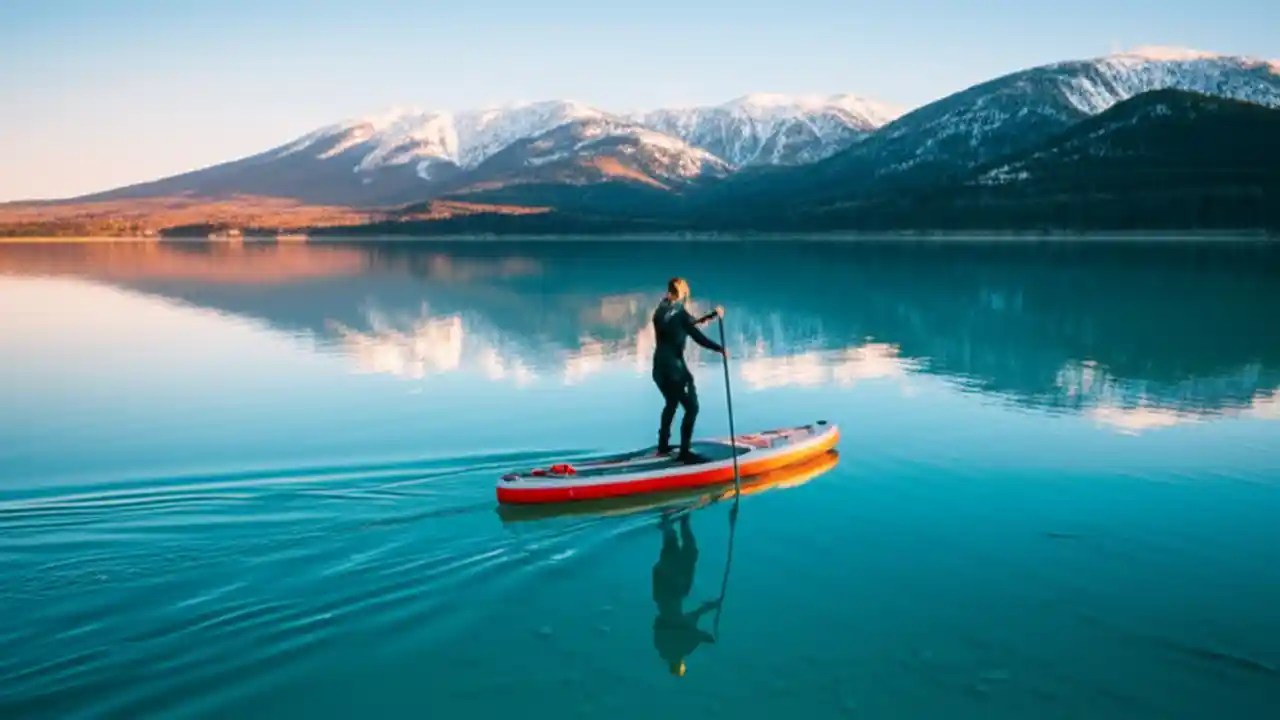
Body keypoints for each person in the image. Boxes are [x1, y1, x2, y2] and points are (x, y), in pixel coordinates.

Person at [652, 277, 726, 463]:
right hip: (675, 371)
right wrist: (719, 348)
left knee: (671, 403)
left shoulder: (660, 311)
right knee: (692, 408)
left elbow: (688, 323)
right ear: (683, 294)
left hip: (658, 370)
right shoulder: (681, 315)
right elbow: (696, 335)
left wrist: (710, 316)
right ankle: (684, 454)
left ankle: (662, 447)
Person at [652, 512, 720, 677]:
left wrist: (707, 638)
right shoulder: (664, 643)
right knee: (672, 547)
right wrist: (710, 607)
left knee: (687, 551)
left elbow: (691, 630)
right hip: (661, 584)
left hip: (673, 584)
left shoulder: (678, 645)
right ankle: (673, 520)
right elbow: (690, 622)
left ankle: (682, 519)